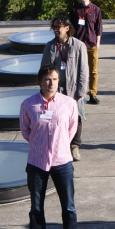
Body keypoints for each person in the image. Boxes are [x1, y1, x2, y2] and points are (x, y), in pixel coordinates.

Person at [20, 65, 85, 229]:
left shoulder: (69, 103)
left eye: (55, 79)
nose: (51, 83)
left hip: (62, 160)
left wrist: (60, 144)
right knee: (36, 206)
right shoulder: (28, 104)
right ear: (40, 81)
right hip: (37, 162)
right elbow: (26, 131)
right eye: (48, 79)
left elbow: (71, 129)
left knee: (68, 205)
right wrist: (40, 144)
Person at [41, 14, 89, 162]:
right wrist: (45, 88)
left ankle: (75, 145)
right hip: (56, 89)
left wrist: (81, 91)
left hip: (73, 88)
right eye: (54, 26)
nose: (56, 29)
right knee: (57, 117)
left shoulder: (79, 46)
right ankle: (61, 145)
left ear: (67, 28)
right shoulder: (50, 46)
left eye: (58, 27)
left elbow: (84, 70)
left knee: (76, 117)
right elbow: (44, 68)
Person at [72, 0, 103, 105]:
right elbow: (71, 27)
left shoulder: (96, 10)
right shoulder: (75, 10)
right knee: (78, 70)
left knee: (93, 70)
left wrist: (98, 42)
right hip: (78, 45)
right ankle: (80, 94)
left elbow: (99, 28)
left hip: (91, 44)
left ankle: (93, 93)